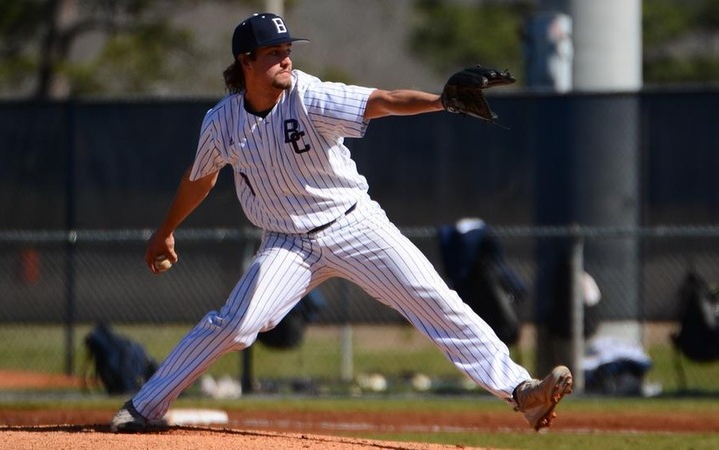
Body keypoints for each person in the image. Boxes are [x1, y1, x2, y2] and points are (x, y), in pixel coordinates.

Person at [111, 12, 572, 433]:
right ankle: (144, 407)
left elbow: (383, 101)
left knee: (432, 298)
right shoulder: (222, 122)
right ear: (246, 61)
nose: (285, 59)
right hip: (286, 243)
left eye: (288, 50)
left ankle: (521, 392)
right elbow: (200, 178)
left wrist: (441, 101)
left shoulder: (309, 95)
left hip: (353, 224)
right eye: (274, 53)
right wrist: (164, 230)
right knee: (235, 323)